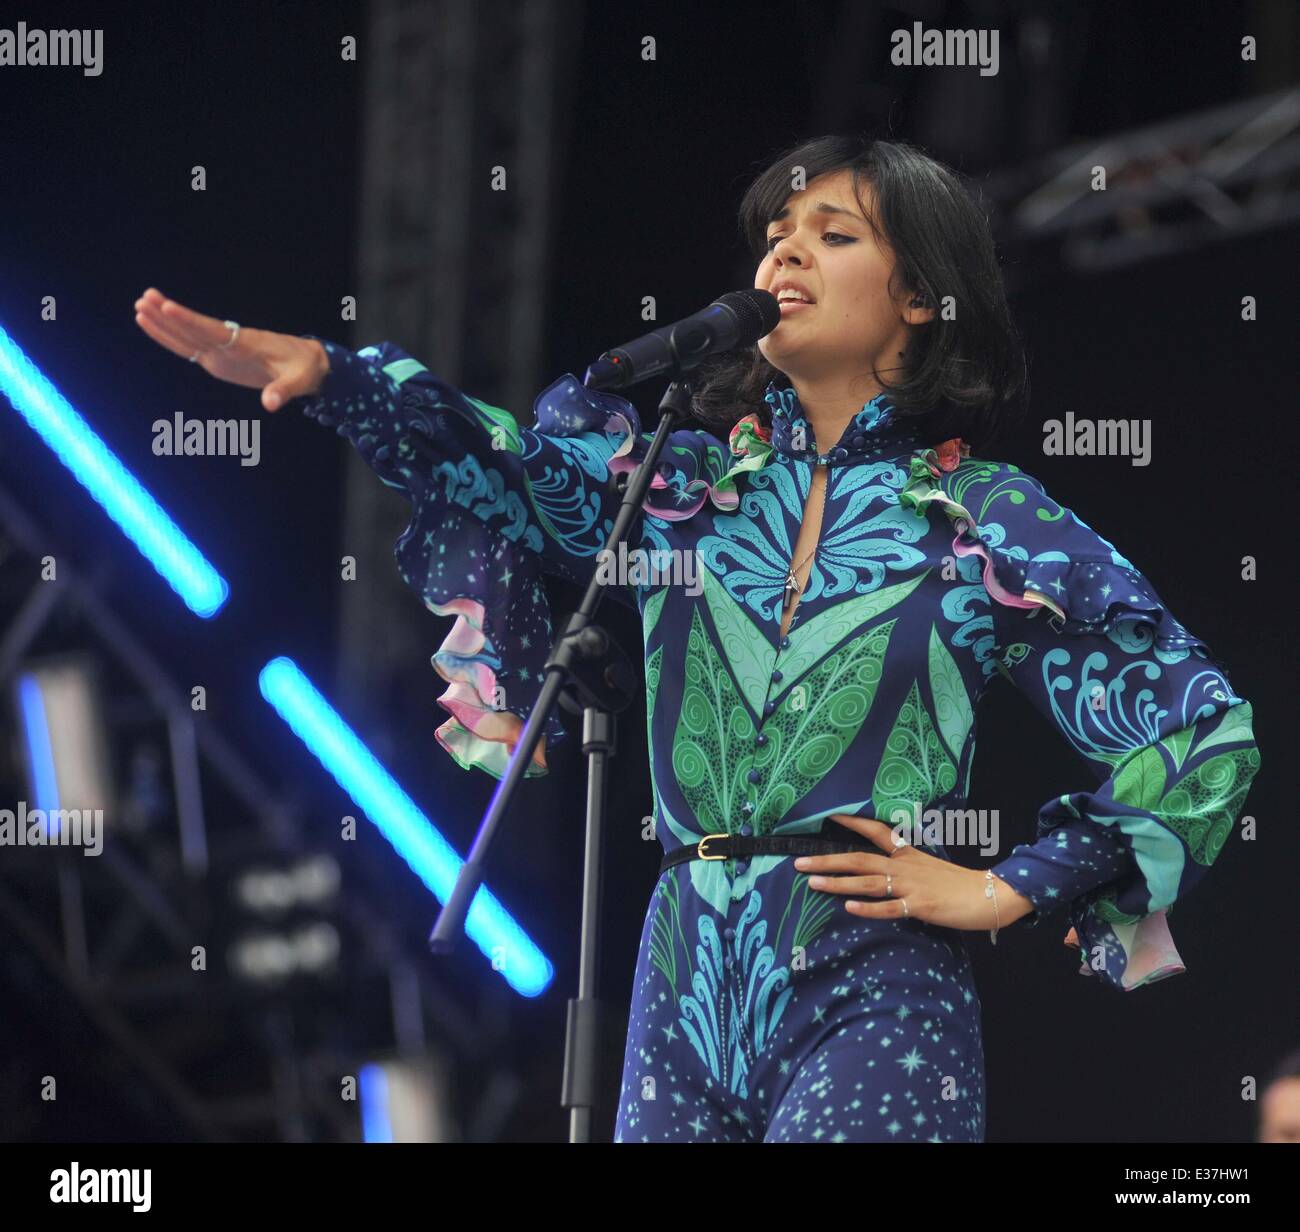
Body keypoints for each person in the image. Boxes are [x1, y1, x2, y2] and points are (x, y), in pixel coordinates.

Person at [133, 134, 1260, 1143]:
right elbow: (511, 467)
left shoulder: (987, 522)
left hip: (873, 985)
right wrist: (340, 380)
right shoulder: (686, 493)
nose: (784, 258)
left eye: (832, 233)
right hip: (679, 977)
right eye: (775, 237)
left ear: (921, 295)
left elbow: (1204, 729)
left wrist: (1007, 887)